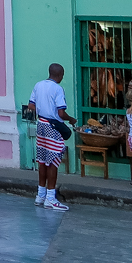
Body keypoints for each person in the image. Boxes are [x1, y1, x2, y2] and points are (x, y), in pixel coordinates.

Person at [25, 63, 75, 211]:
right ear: (59, 75)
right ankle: (51, 198)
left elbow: (31, 106)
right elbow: (61, 113)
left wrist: (42, 108)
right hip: (53, 127)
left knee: (42, 160)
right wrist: (71, 119)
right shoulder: (58, 89)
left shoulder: (38, 85)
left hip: (41, 124)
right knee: (53, 161)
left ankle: (40, 195)